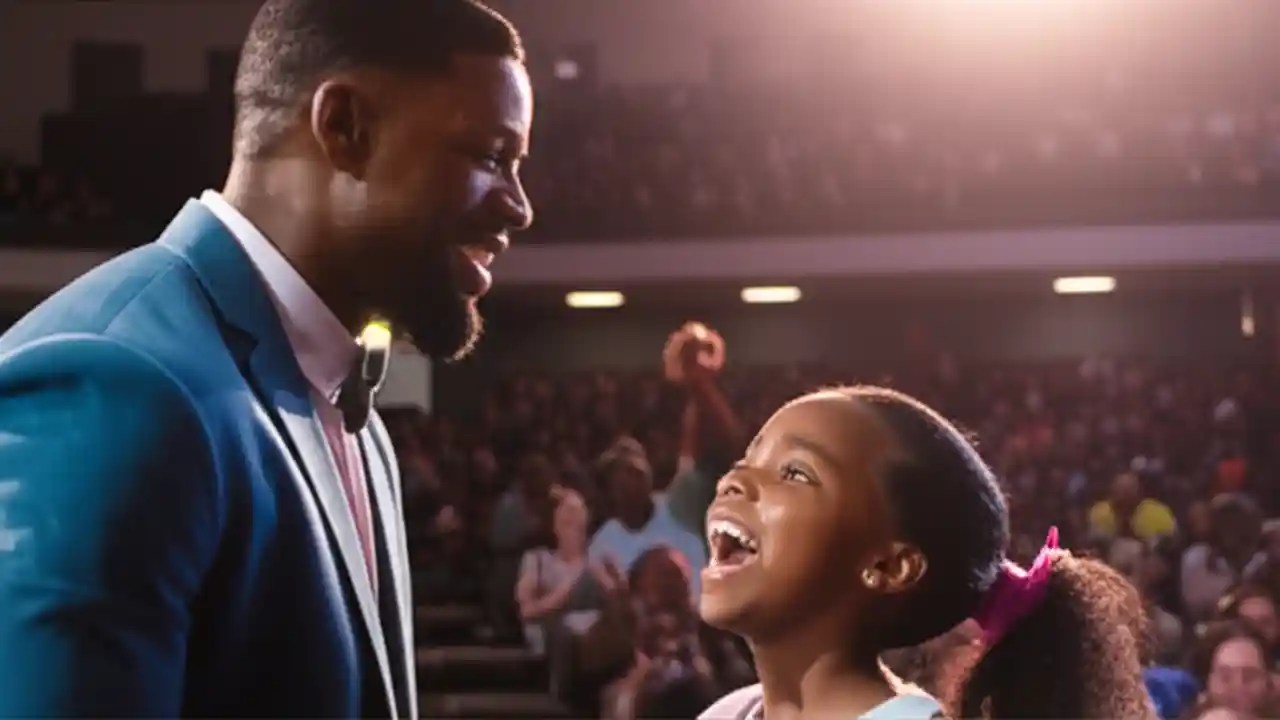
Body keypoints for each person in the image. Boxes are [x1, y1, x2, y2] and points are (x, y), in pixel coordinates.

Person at [0, 0, 532, 716]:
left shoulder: (353, 413)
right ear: (345, 128)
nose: (520, 206)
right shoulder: (121, 384)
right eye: (492, 157)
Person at [698, 386, 1154, 719]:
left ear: (889, 565)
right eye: (747, 459)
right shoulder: (728, 713)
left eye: (795, 473)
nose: (734, 481)